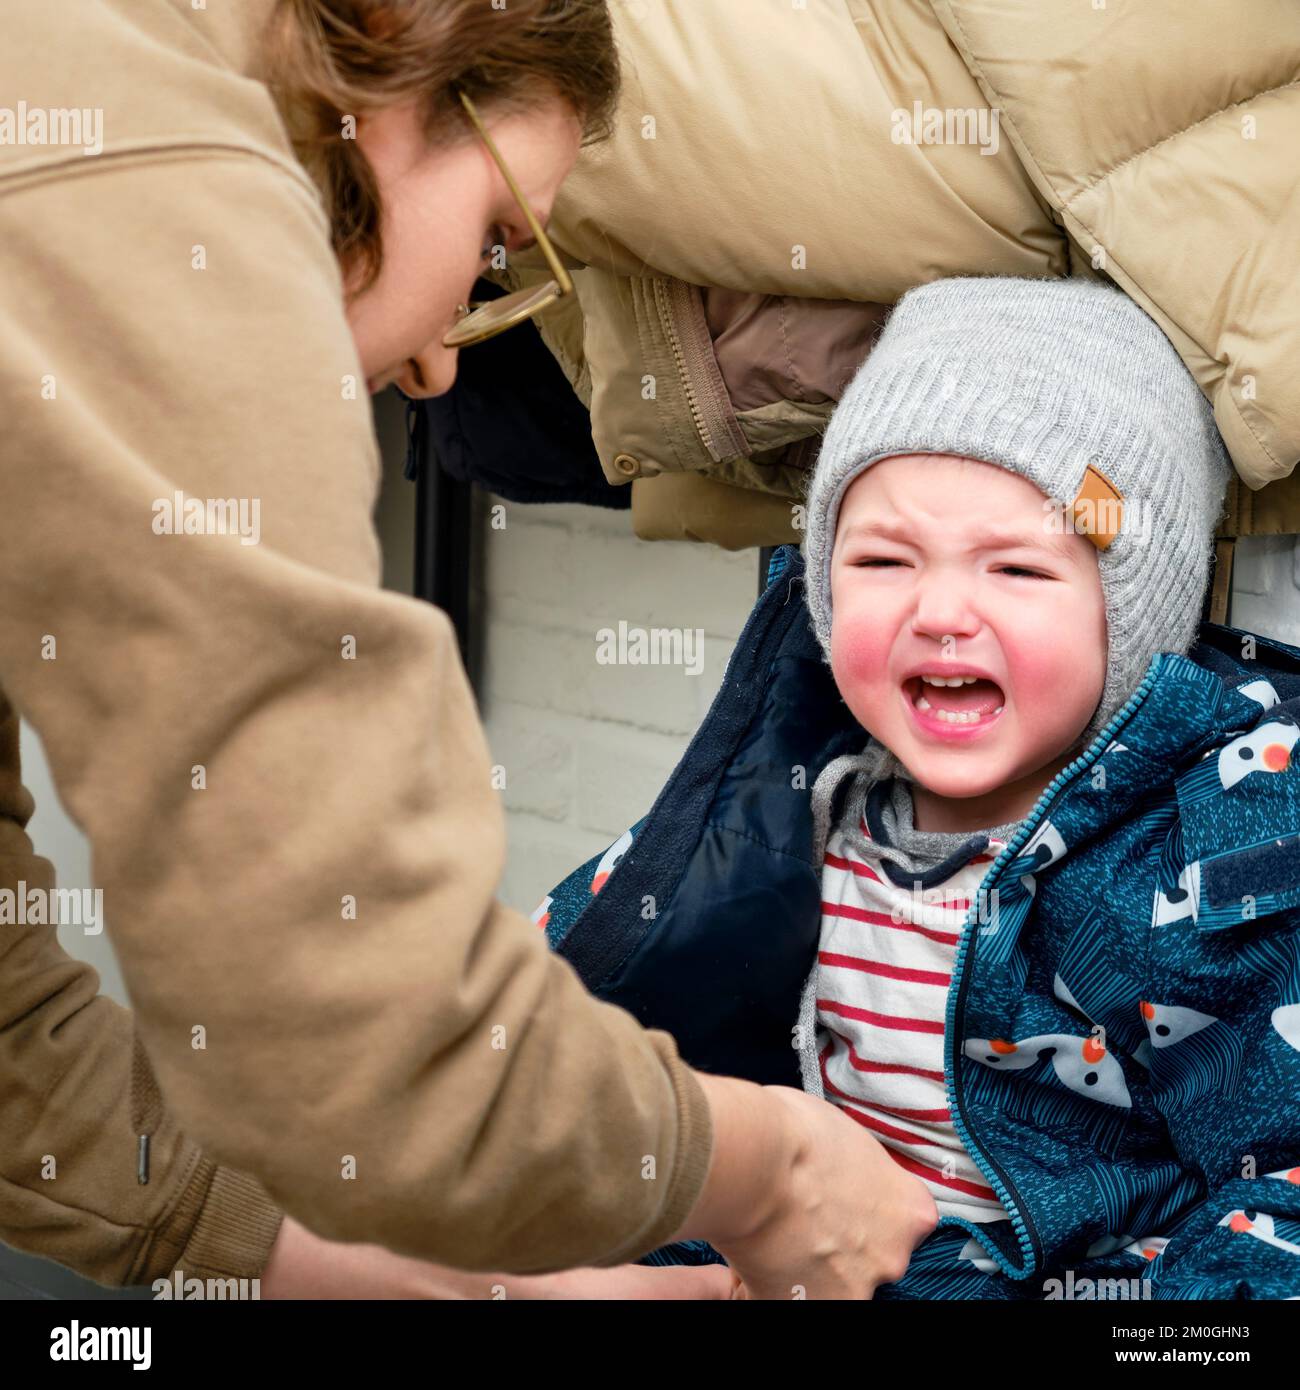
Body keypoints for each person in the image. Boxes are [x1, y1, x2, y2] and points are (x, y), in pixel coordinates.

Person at [0, 0, 933, 1300]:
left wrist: (503, 1289)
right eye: (500, 245)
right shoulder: (154, 167)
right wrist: (777, 1170)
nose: (441, 367)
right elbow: (363, 1024)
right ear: (393, 66)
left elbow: (16, 1065)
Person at [530, 276, 1300, 1297]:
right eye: (885, 560)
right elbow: (575, 973)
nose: (940, 610)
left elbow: (1280, 1184)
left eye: (1015, 571)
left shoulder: (1217, 850)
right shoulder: (788, 797)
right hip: (787, 1241)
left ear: (1134, 612)